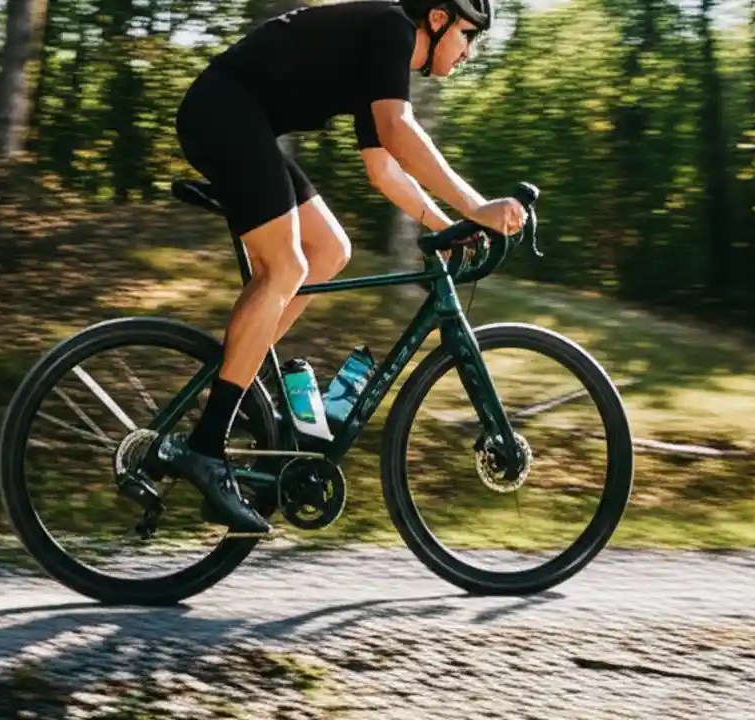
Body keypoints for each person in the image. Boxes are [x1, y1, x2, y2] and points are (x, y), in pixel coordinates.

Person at [159, 0, 527, 534]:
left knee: (330, 249)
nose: (470, 52)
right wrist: (476, 207)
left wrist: (443, 225)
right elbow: (400, 131)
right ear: (439, 19)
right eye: (470, 36)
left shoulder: (381, 58)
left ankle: (240, 381)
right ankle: (207, 446)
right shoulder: (392, 29)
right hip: (224, 113)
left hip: (243, 120)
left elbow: (383, 168)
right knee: (283, 267)